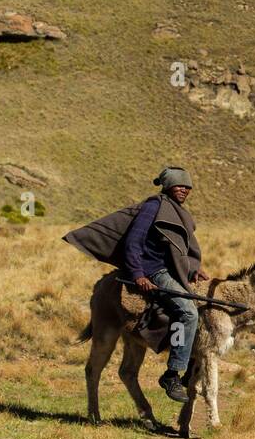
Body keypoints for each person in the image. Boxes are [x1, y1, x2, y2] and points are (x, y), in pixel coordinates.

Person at [63, 166, 209, 402]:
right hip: (155, 271)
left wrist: (192, 268)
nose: (185, 190)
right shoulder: (153, 206)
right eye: (180, 185)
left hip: (170, 270)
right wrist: (138, 274)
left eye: (188, 187)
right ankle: (172, 374)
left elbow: (176, 248)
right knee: (188, 313)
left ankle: (188, 363)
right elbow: (133, 242)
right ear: (168, 186)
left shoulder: (179, 211)